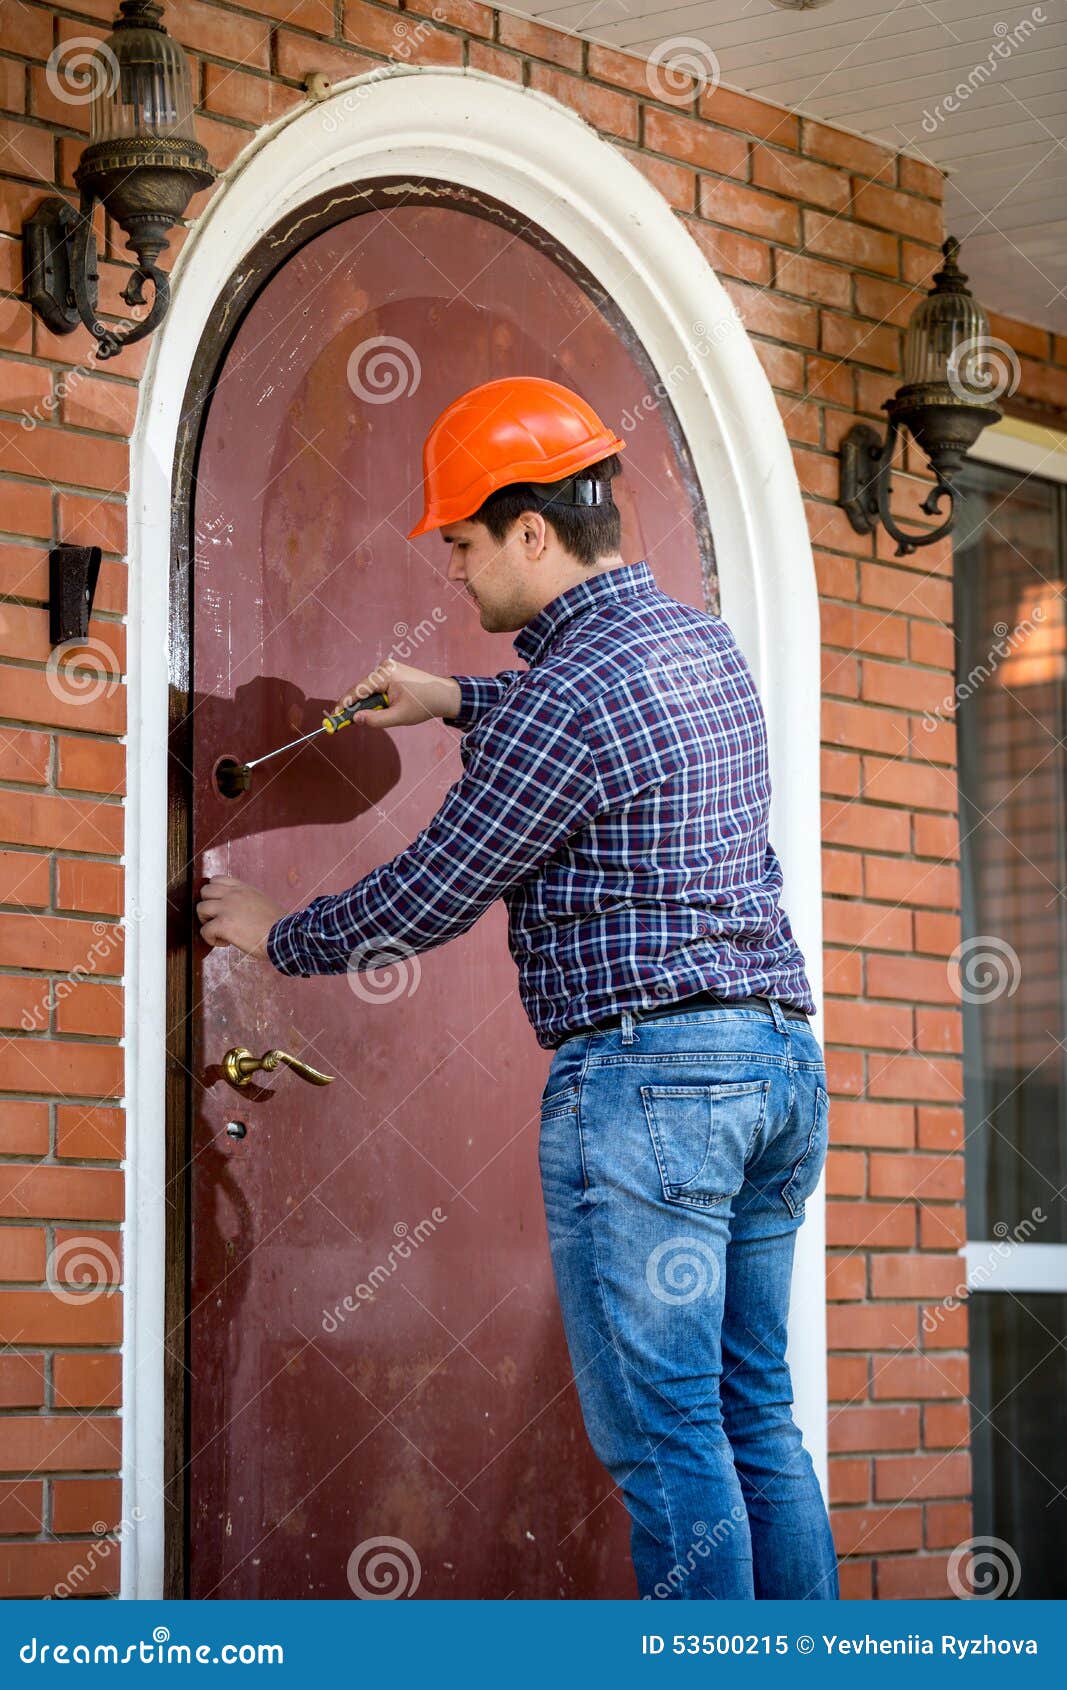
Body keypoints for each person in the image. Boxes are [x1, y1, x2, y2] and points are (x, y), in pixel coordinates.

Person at [197, 374, 840, 1601]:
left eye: (463, 543)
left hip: (654, 1085)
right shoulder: (693, 643)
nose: (452, 572)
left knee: (665, 1441)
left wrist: (278, 932)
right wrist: (454, 699)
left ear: (531, 533)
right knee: (753, 1414)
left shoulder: (565, 701)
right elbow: (596, 731)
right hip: (773, 1071)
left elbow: (434, 890)